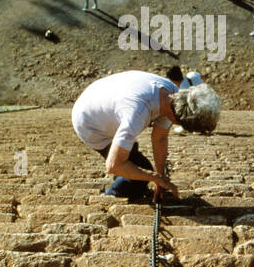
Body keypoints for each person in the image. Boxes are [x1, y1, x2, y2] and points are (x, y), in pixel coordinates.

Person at [71, 70, 221, 201]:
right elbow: (113, 165)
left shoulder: (172, 95)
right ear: (176, 119)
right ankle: (111, 196)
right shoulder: (137, 113)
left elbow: (159, 138)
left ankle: (130, 174)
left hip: (103, 95)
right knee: (139, 173)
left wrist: (161, 178)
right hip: (88, 121)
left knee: (132, 155)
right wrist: (154, 177)